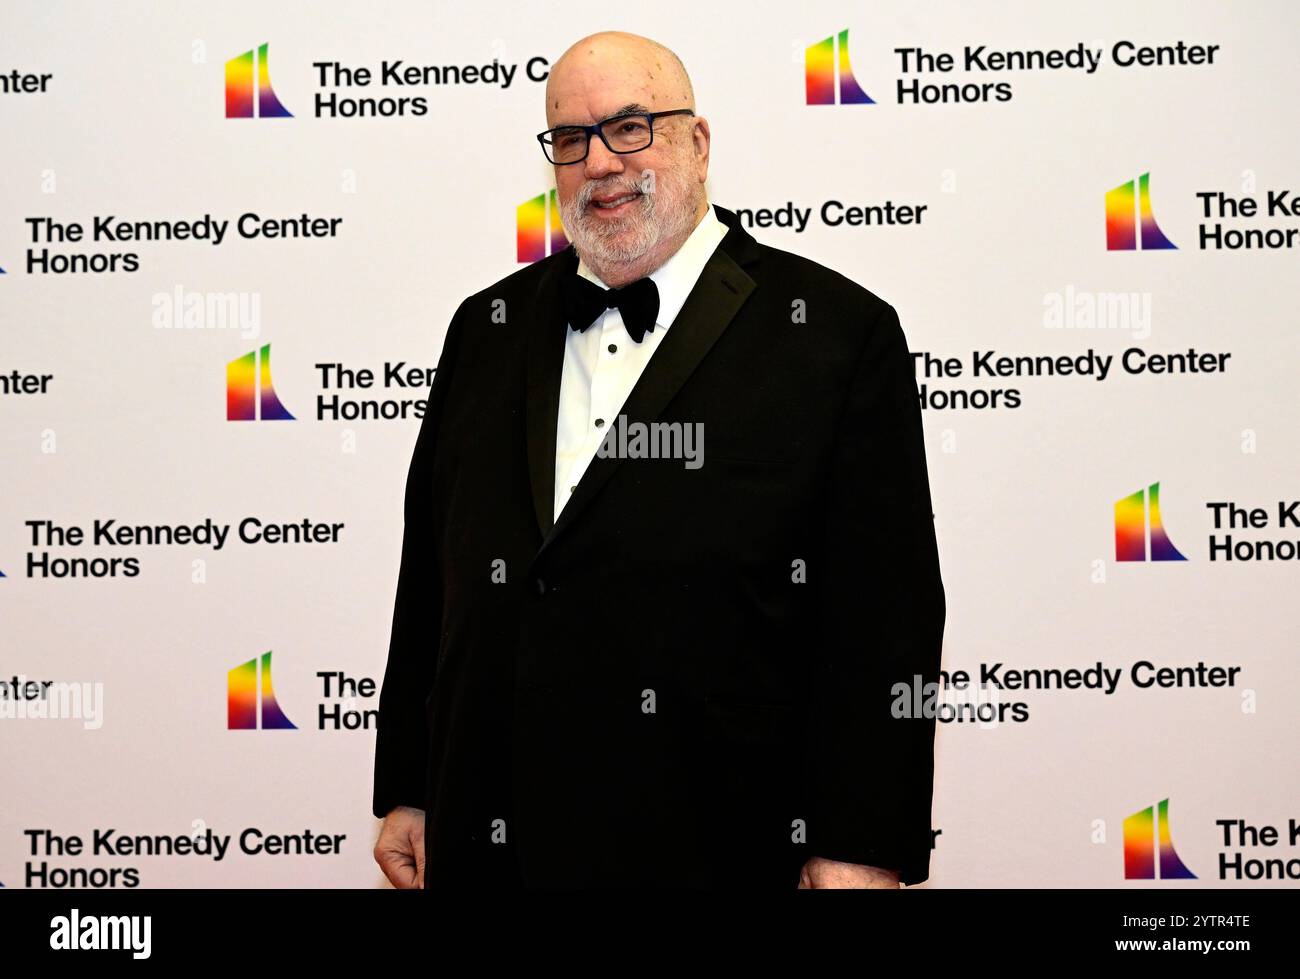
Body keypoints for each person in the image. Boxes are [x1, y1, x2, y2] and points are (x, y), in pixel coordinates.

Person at [372, 30, 945, 889]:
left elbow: (884, 616)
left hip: (722, 841)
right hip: (496, 840)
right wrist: (412, 785)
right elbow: (432, 578)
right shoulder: (485, 327)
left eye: (630, 126)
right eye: (571, 139)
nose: (599, 161)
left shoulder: (834, 335)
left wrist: (859, 844)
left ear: (698, 143)